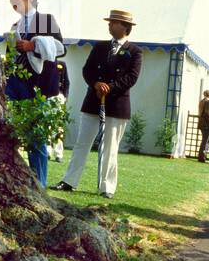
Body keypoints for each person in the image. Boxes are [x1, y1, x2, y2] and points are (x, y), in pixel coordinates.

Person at [52, 10, 142, 199]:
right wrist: (95, 84)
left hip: (117, 105)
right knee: (81, 143)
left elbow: (131, 78)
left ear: (125, 27)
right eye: (109, 22)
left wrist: (110, 87)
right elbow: (87, 70)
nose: (109, 25)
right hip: (93, 101)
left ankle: (106, 187)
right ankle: (69, 181)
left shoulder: (134, 51)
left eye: (114, 23)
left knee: (109, 147)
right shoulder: (100, 47)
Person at [4, 0, 63, 188]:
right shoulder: (14, 27)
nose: (13, 0)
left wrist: (33, 45)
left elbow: (61, 49)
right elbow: (12, 57)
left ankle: (41, 184)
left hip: (38, 85)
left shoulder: (46, 20)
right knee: (8, 130)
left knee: (35, 137)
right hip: (15, 84)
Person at [197, 90, 209, 163]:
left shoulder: (201, 101)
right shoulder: (208, 102)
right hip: (206, 124)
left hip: (201, 123)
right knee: (205, 141)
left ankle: (203, 155)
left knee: (208, 141)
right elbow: (207, 114)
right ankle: (202, 157)